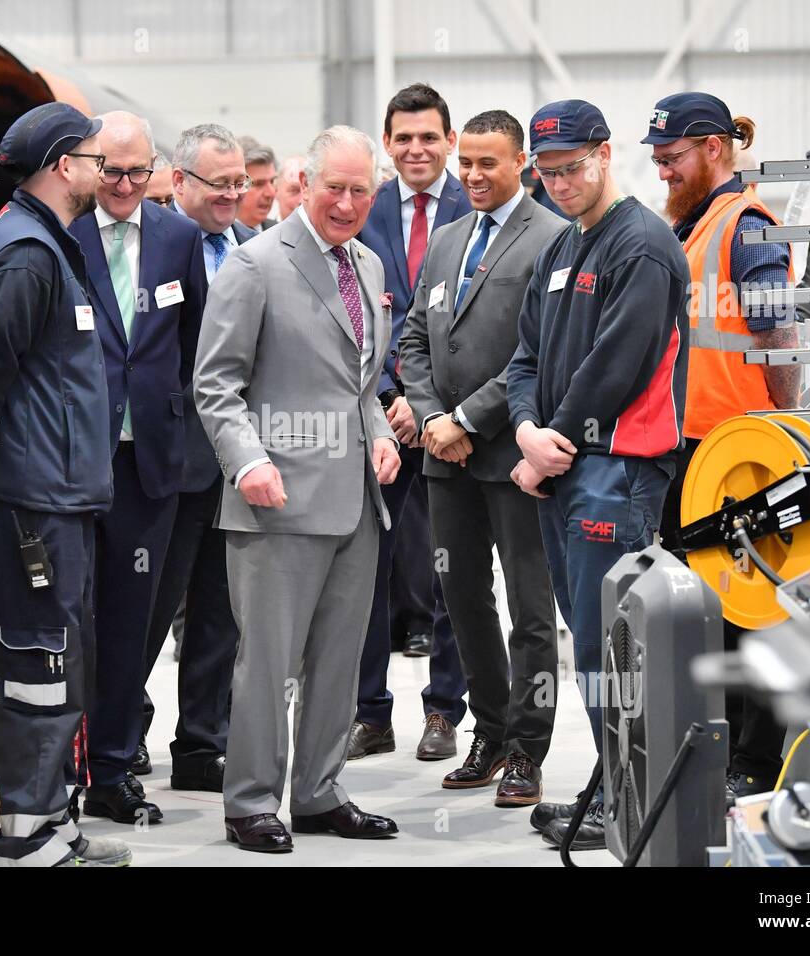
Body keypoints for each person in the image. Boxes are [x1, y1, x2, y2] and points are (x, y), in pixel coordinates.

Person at [195, 125, 402, 852]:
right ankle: (250, 802)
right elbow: (216, 386)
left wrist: (379, 433)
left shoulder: (371, 266)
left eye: (360, 191)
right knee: (269, 665)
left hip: (355, 503)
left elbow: (361, 384)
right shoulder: (255, 266)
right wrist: (248, 461)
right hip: (276, 502)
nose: (346, 203)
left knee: (339, 661)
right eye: (334, 188)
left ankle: (318, 792)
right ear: (303, 185)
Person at [0, 102, 129, 867]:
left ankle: (51, 816)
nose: (103, 172)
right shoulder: (26, 253)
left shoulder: (48, 243)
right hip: (29, 499)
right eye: (92, 158)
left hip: (57, 493)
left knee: (58, 656)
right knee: (34, 663)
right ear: (60, 166)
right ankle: (28, 837)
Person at [505, 100, 690, 850]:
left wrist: (551, 442)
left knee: (609, 650)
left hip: (615, 472)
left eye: (572, 169)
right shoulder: (560, 249)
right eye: (546, 175)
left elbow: (614, 367)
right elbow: (523, 358)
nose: (560, 185)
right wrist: (524, 428)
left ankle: (628, 803)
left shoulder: (640, 248)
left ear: (607, 154)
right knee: (589, 645)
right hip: (563, 467)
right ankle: (614, 789)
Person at [400, 109, 566, 805]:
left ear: (522, 163)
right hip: (447, 459)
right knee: (462, 599)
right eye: (464, 161)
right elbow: (412, 339)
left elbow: (542, 351)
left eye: (487, 162)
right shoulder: (446, 241)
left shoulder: (553, 239)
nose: (471, 174)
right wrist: (436, 417)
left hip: (513, 456)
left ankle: (529, 747)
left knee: (531, 610)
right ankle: (491, 731)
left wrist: (469, 417)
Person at [643, 92, 799, 802]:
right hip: (693, 452)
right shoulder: (690, 227)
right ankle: (720, 749)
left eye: (673, 159)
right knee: (709, 614)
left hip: (741, 456)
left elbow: (779, 338)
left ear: (713, 148)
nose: (664, 173)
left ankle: (757, 761)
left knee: (749, 613)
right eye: (658, 162)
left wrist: (781, 432)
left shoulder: (749, 225)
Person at [68, 112, 208, 825]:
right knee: (68, 616)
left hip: (149, 462)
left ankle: (114, 769)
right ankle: (59, 757)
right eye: (110, 170)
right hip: (72, 461)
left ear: (156, 172)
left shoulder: (180, 239)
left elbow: (191, 346)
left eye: (136, 172)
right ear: (87, 166)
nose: (123, 185)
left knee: (131, 622)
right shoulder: (60, 236)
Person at [353, 82, 471, 763]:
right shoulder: (360, 210)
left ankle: (444, 709)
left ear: (448, 141)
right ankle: (370, 712)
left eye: (429, 137)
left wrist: (428, 408)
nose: (417, 149)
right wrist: (388, 398)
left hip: (453, 425)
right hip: (378, 421)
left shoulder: (476, 208)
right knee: (366, 570)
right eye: (403, 138)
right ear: (387, 143)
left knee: (452, 575)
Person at [138, 124, 258, 794]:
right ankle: (119, 740)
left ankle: (200, 748)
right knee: (149, 608)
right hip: (168, 462)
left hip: (237, 464)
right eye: (221, 184)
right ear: (179, 181)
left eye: (240, 183)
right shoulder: (147, 248)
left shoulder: (253, 250)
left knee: (221, 610)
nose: (234, 196)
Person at [237, 136, 279, 230]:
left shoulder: (281, 232)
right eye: (259, 184)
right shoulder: (210, 239)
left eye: (272, 181)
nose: (271, 193)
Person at [274, 155, 305, 219]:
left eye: (308, 191)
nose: (302, 200)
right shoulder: (261, 228)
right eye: (294, 191)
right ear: (276, 190)